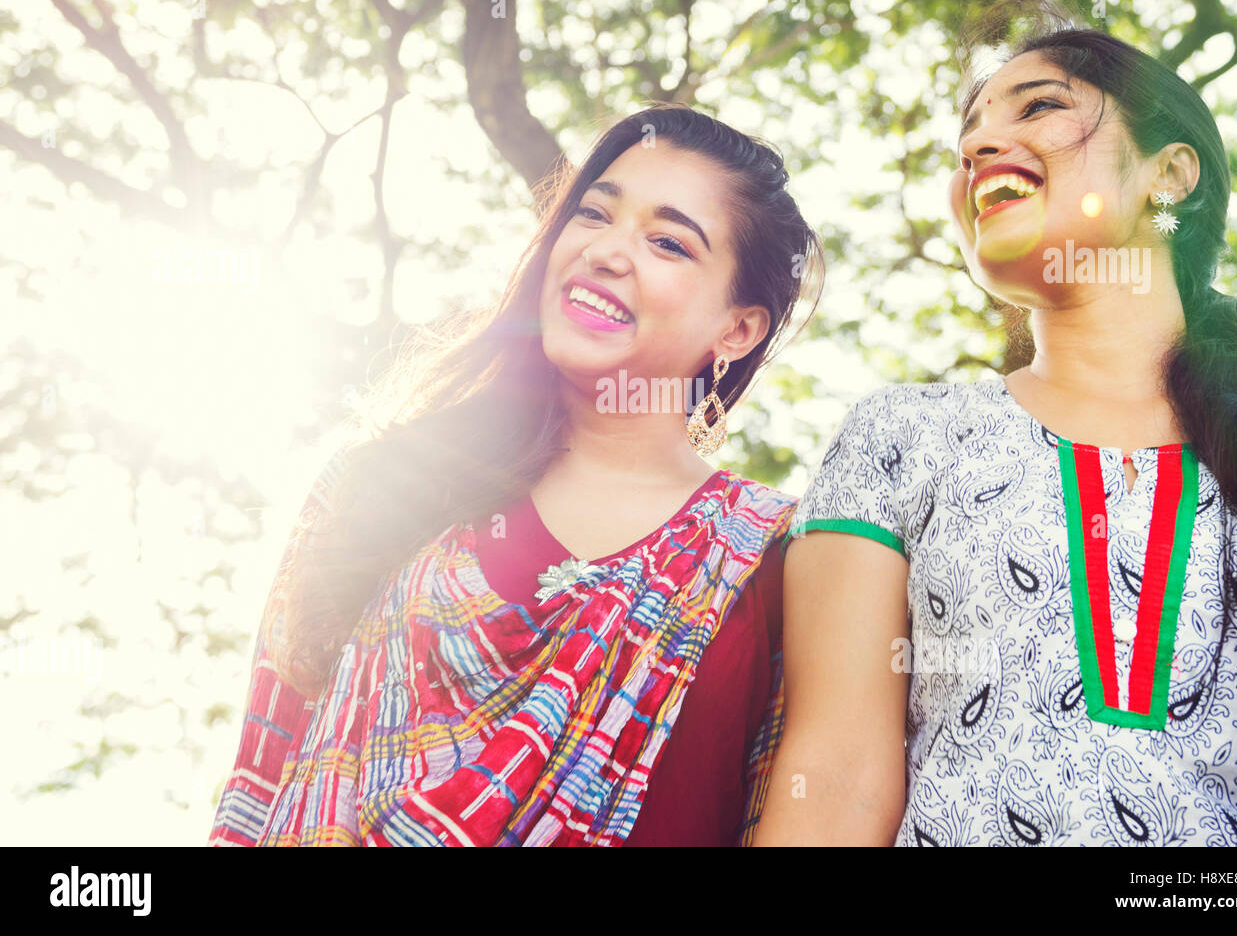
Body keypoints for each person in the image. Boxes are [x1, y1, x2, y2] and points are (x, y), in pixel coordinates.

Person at [208, 102, 824, 846]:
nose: (607, 250)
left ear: (738, 328)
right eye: (594, 214)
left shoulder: (773, 561)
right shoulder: (379, 485)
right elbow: (259, 786)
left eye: (667, 241)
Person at [756, 7, 1237, 846]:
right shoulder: (902, 433)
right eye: (966, 137)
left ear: (1171, 173)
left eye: (1037, 106)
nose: (977, 148)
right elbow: (832, 775)